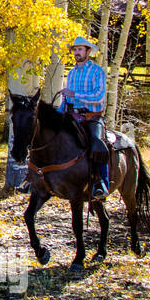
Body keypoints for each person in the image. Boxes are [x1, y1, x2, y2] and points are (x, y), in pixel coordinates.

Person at [58, 36, 109, 199]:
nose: (76, 53)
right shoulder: (72, 73)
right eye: (74, 49)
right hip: (72, 115)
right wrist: (57, 113)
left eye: (80, 49)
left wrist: (75, 94)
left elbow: (98, 96)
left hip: (91, 117)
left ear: (88, 51)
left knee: (96, 143)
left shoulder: (97, 71)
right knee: (50, 135)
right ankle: (38, 177)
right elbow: (68, 98)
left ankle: (100, 182)